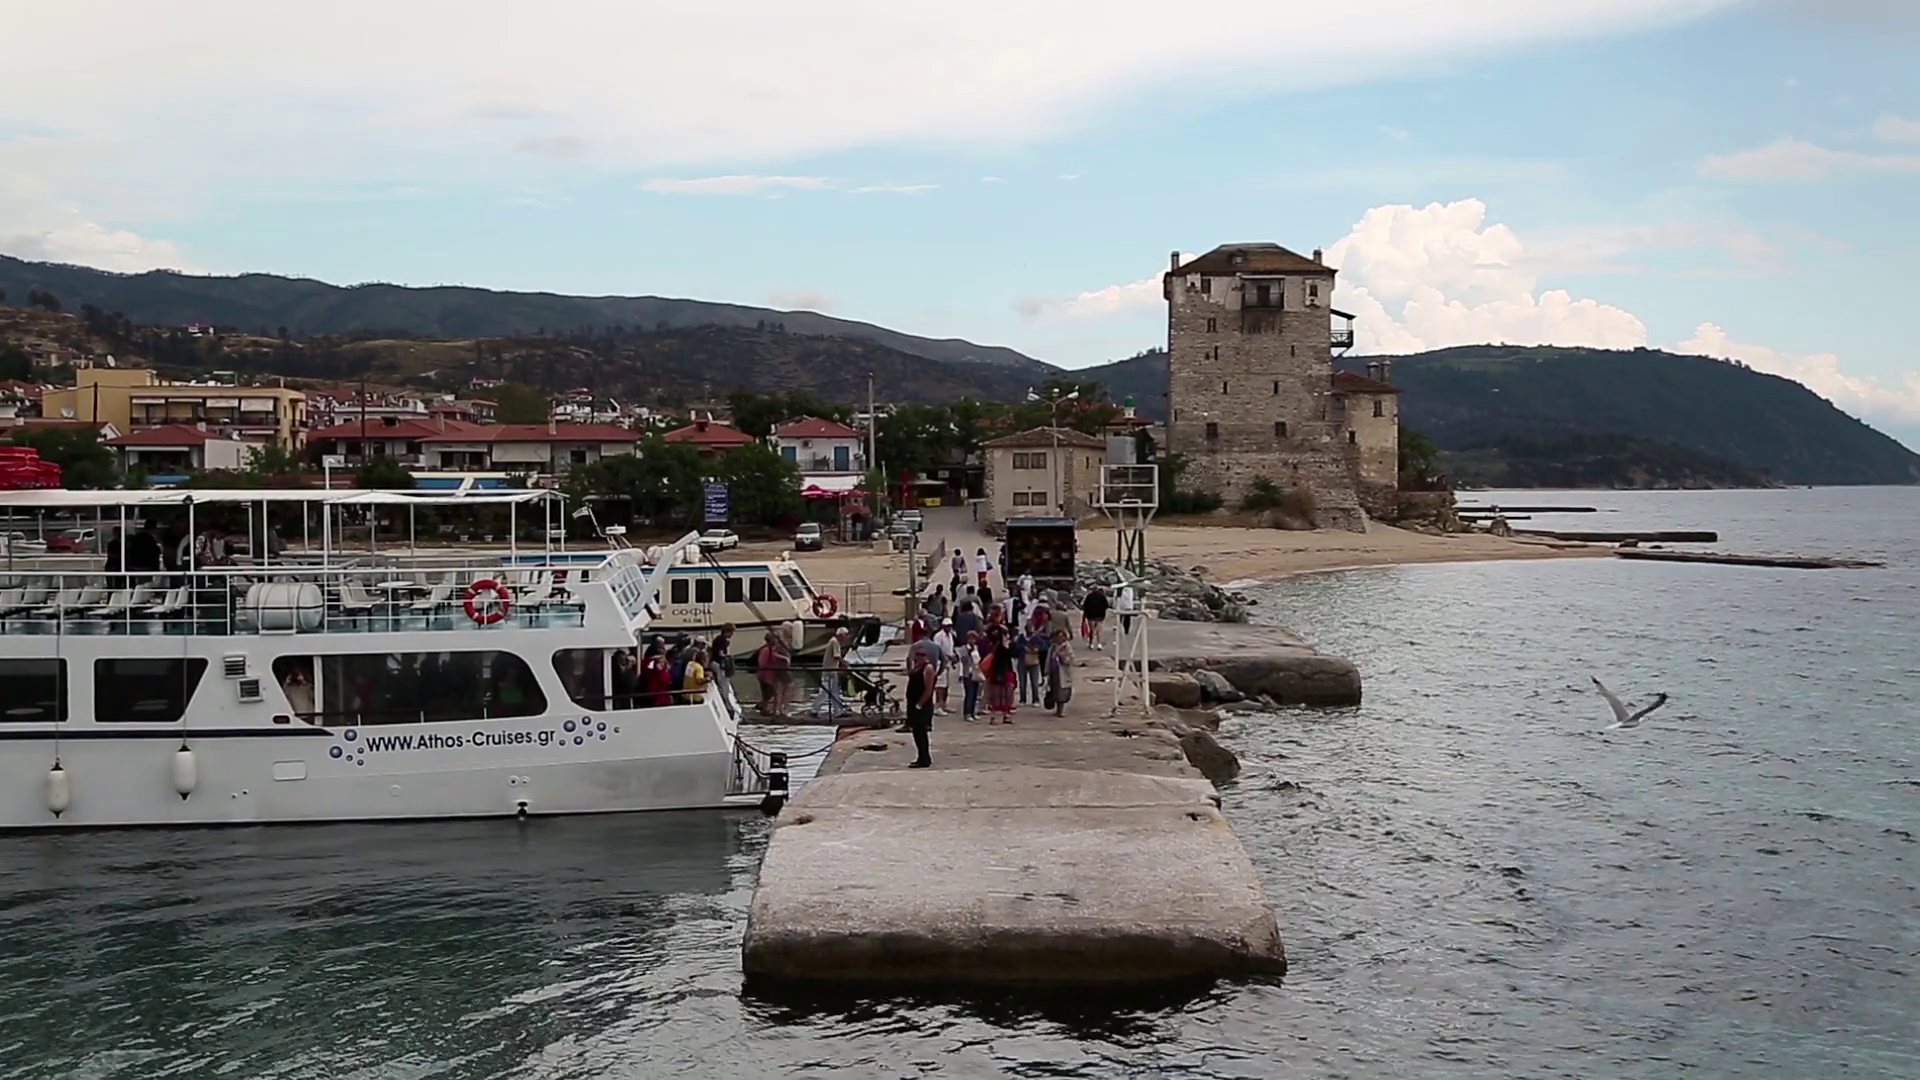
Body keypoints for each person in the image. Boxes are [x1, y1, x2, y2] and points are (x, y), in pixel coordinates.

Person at [905, 649, 935, 769]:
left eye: (922, 655)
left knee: (921, 732)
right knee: (916, 732)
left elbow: (929, 688)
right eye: (917, 655)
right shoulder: (916, 667)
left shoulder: (928, 669)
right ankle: (921, 756)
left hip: (921, 704)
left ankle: (924, 758)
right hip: (912, 702)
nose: (919, 657)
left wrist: (920, 704)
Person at [818, 626, 852, 718]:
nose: (846, 638)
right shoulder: (835, 642)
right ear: (841, 635)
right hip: (830, 670)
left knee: (834, 692)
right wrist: (845, 664)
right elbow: (836, 656)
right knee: (826, 692)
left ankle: (838, 711)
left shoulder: (833, 641)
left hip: (831, 670)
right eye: (845, 636)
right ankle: (814, 709)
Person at [1047, 626, 1075, 716]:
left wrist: (1062, 656)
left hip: (1063, 672)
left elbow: (1071, 660)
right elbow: (1049, 659)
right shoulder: (1053, 647)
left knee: (1062, 691)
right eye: (1057, 637)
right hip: (1054, 671)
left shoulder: (1066, 647)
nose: (1059, 639)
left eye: (1061, 636)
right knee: (1054, 690)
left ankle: (1060, 711)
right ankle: (1057, 709)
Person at [1016, 623, 1047, 708]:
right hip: (1022, 661)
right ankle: (1023, 699)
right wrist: (1023, 648)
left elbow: (1044, 646)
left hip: (1034, 662)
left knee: (1034, 682)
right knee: (1022, 682)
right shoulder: (1021, 638)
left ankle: (1035, 699)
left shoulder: (1036, 638)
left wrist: (1037, 649)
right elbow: (1016, 646)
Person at [932, 617, 956, 715]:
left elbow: (952, 647)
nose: (948, 628)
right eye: (946, 626)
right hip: (940, 663)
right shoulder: (938, 636)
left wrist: (953, 656)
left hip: (949, 663)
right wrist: (948, 656)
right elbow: (937, 650)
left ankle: (944, 704)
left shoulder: (951, 635)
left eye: (950, 626)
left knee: (947, 685)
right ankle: (937, 706)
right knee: (940, 686)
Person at [755, 631, 781, 716]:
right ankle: (771, 710)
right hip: (766, 676)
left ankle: (764, 707)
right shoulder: (766, 650)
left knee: (769, 694)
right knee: (772, 694)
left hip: (768, 675)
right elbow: (762, 663)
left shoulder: (771, 650)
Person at [959, 629, 983, 723]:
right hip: (967, 673)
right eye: (971, 639)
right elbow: (963, 659)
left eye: (974, 639)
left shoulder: (977, 648)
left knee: (975, 694)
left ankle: (973, 712)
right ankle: (967, 713)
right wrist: (969, 652)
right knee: (969, 693)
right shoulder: (964, 648)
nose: (973, 641)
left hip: (975, 672)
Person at [1081, 583, 1110, 651]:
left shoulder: (1089, 596)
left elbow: (1085, 606)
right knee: (1099, 629)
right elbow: (1106, 605)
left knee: (1092, 630)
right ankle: (1099, 644)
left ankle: (1091, 643)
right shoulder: (1102, 596)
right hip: (1100, 615)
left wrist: (1084, 615)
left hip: (1091, 615)